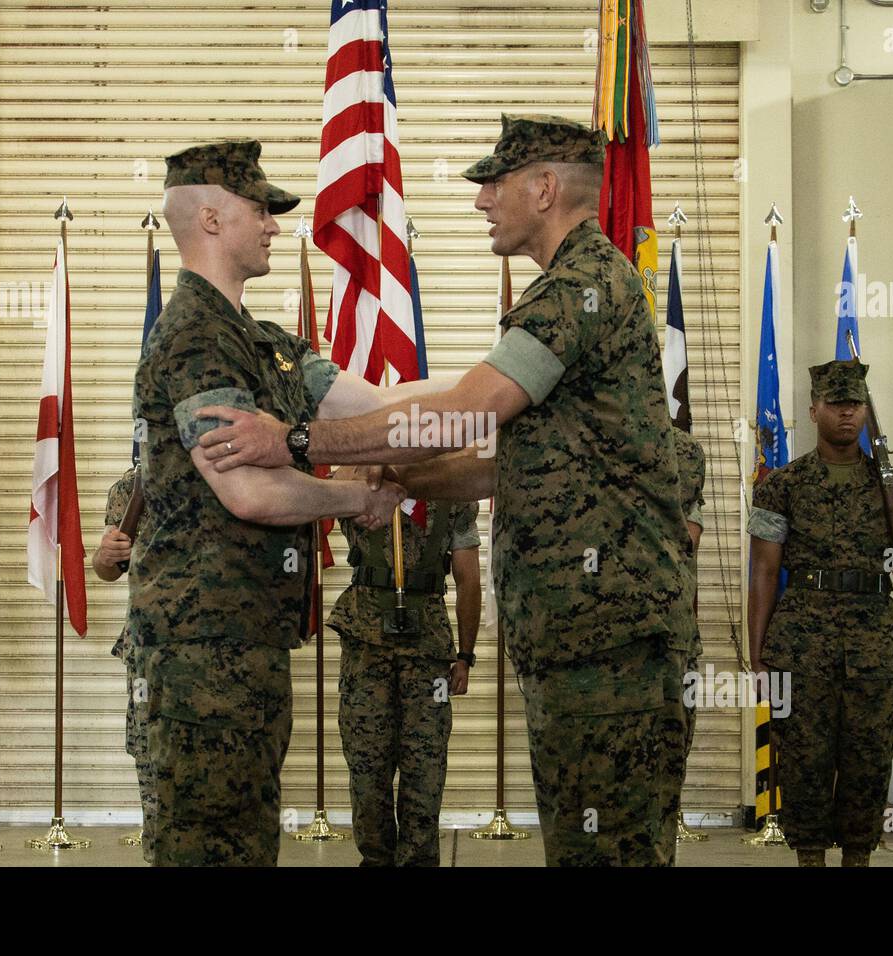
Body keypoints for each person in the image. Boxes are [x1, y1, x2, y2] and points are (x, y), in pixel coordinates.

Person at [193, 114, 697, 866]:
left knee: (608, 853)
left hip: (612, 646)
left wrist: (296, 438)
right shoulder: (579, 285)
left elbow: (464, 415)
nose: (481, 201)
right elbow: (506, 465)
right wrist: (394, 479)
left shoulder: (580, 289)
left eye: (494, 184)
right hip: (590, 642)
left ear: (546, 188)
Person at [130, 139, 420, 866]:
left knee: (247, 840)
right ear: (210, 217)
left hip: (247, 645)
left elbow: (383, 402)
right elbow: (250, 491)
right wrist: (353, 499)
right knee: (208, 846)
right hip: (203, 652)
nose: (273, 224)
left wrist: (505, 391)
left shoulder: (263, 345)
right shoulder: (195, 336)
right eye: (260, 209)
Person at [746, 358, 893, 867]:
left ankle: (858, 858)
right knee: (803, 761)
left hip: (872, 643)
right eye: (837, 404)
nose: (848, 414)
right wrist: (758, 659)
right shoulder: (783, 485)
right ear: (814, 410)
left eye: (856, 405)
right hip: (802, 645)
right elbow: (763, 573)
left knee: (869, 762)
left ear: (866, 412)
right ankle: (809, 859)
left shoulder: (892, 486)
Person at [328, 498, 481, 866]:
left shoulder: (454, 502)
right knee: (367, 767)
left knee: (425, 771)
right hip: (366, 645)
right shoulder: (360, 488)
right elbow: (331, 482)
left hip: (427, 653)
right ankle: (376, 860)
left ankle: (417, 862)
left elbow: (469, 580)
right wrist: (377, 463)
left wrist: (465, 655)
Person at [91, 466, 155, 861]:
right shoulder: (132, 488)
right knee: (150, 757)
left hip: (221, 650)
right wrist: (105, 554)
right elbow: (107, 570)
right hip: (148, 646)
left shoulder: (231, 473)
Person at [672, 427, 706, 836]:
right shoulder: (581, 436)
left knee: (668, 755)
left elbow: (685, 542)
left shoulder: (683, 453)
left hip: (671, 637)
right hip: (596, 642)